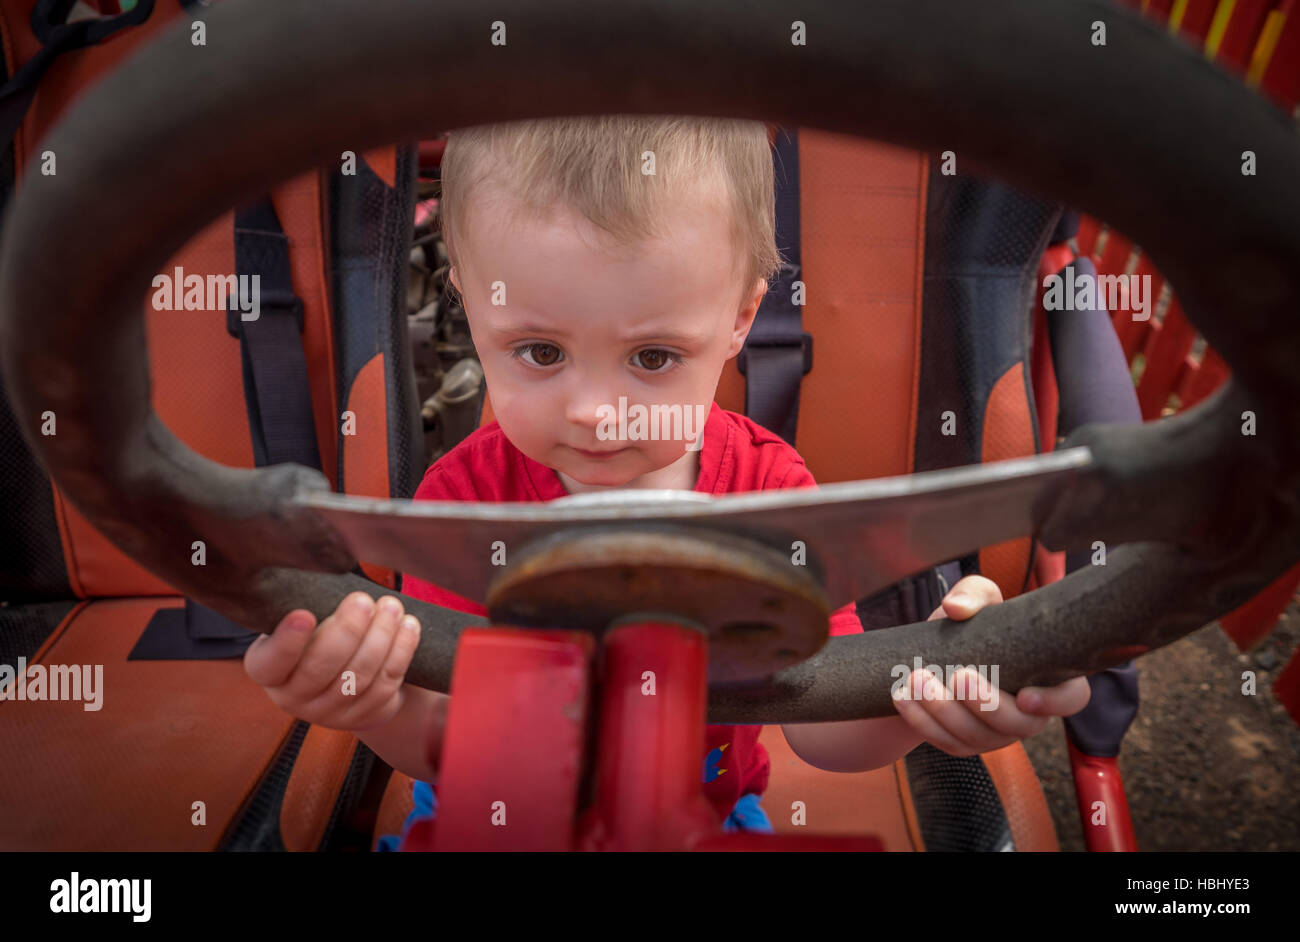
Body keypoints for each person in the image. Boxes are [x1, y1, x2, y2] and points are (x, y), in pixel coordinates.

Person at [242, 116, 1090, 847]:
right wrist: (365, 696)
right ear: (468, 301)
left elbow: (828, 729)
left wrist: (934, 682)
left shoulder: (766, 488)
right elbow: (436, 739)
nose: (598, 413)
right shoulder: (463, 500)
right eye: (540, 352)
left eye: (653, 357)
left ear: (738, 320)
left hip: (705, 823)